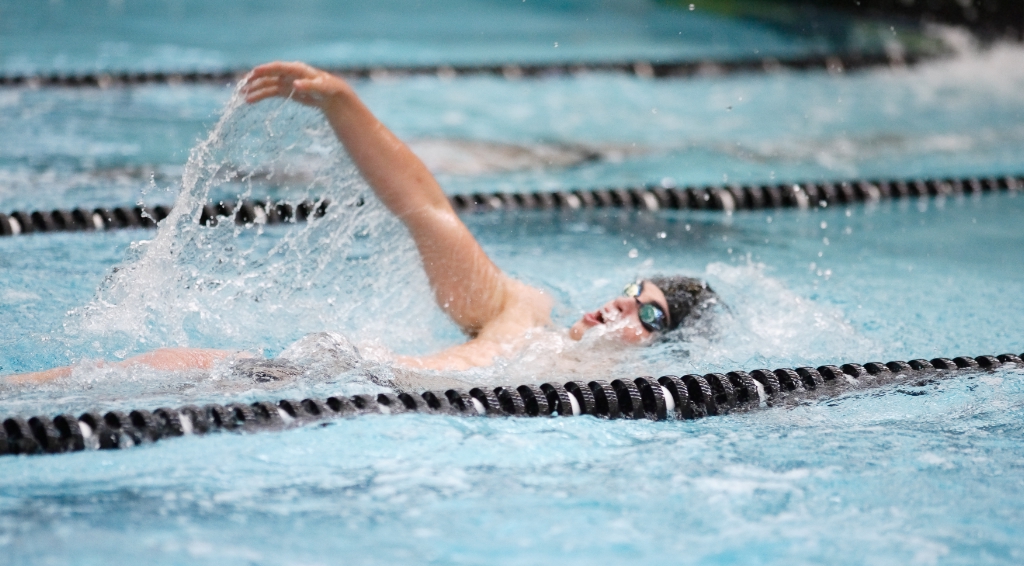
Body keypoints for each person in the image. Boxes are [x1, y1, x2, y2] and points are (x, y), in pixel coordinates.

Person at [6, 62, 713, 385]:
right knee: (156, 367)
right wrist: (343, 104)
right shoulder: (519, 314)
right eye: (633, 292)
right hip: (323, 376)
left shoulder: (589, 397)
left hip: (335, 403)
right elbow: (427, 210)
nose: (621, 306)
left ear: (667, 354)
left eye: (647, 316)